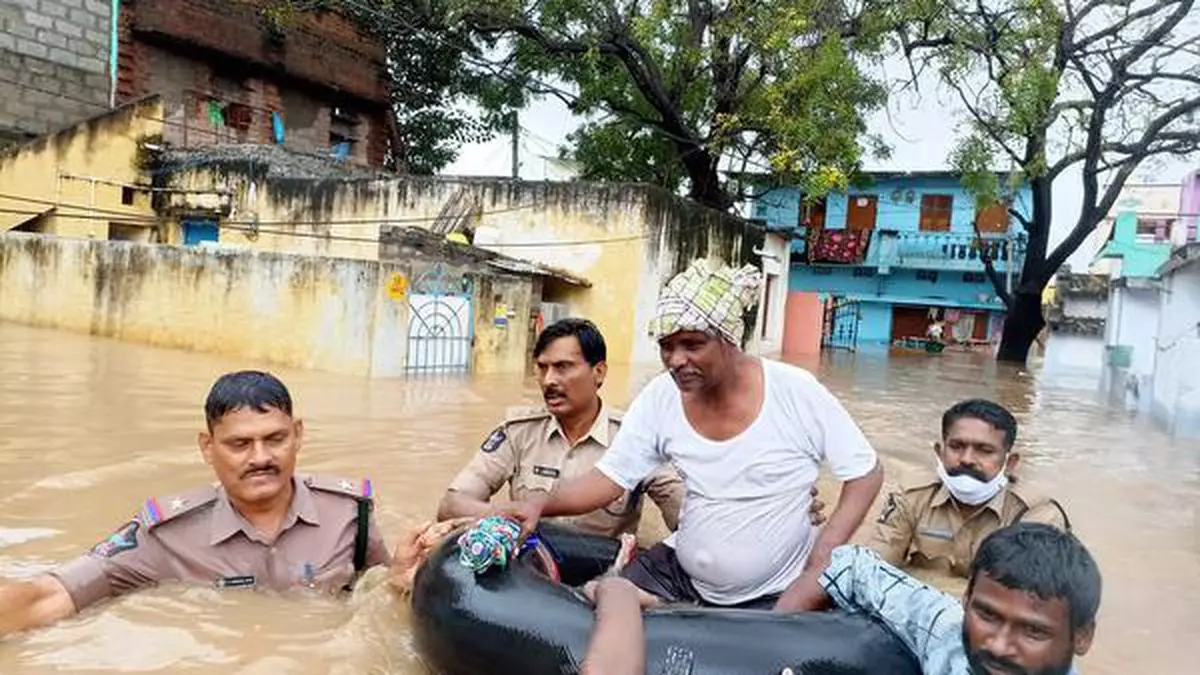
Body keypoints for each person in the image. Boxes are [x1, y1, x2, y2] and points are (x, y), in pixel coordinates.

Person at [505, 258, 883, 612]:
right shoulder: (660, 397)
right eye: (666, 347)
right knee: (598, 599)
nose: (676, 360)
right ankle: (667, 608)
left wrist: (824, 555)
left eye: (692, 344)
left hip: (775, 587)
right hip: (679, 573)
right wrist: (542, 504)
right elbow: (610, 479)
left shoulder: (794, 392)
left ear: (729, 339)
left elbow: (865, 472)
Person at [0, 370, 390, 637]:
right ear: (207, 447)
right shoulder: (165, 534)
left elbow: (380, 597)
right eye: (239, 444)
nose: (260, 458)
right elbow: (48, 596)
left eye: (275, 439)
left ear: (298, 434)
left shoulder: (350, 513)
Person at [582, 522, 1101, 675]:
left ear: (1082, 638)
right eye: (987, 614)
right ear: (966, 601)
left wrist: (618, 595)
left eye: (1033, 631)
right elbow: (854, 567)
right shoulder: (944, 628)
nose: (1000, 645)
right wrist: (767, 642)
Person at [438, 318, 687, 539]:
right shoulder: (519, 431)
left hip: (599, 579)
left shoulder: (635, 436)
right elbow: (451, 505)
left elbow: (684, 515)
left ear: (598, 372)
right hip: (529, 570)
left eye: (563, 367)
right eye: (542, 367)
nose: (548, 381)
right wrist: (503, 514)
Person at [872, 398, 1070, 577]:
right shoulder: (911, 496)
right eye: (956, 446)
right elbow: (873, 569)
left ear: (1010, 463)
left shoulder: (1037, 514)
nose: (966, 459)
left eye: (985, 450)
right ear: (940, 452)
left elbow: (1028, 596)